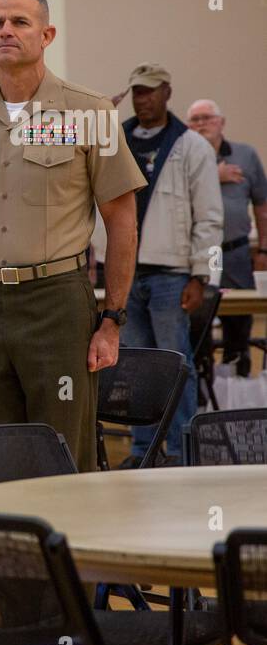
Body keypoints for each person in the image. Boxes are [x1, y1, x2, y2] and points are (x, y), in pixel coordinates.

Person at [0, 0, 146, 476]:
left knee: (61, 449)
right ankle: (3, 552)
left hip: (57, 303)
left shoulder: (89, 112)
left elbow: (121, 219)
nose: (6, 30)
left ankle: (67, 550)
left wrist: (112, 318)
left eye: (20, 22)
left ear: (47, 34)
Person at [121, 64, 222, 463]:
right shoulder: (117, 139)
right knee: (136, 369)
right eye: (136, 93)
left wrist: (202, 276)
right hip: (125, 272)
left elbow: (211, 216)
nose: (141, 100)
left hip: (172, 273)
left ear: (166, 92)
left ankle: (183, 451)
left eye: (148, 92)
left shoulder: (191, 145)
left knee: (176, 365)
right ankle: (143, 450)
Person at [186, 98, 267, 376]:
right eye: (195, 120)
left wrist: (264, 250)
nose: (201, 124)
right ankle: (203, 389)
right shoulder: (183, 156)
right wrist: (213, 175)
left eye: (207, 118)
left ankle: (238, 381)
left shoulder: (245, 155)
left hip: (235, 255)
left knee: (238, 325)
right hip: (199, 256)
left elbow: (262, 205)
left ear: (222, 123)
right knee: (198, 327)